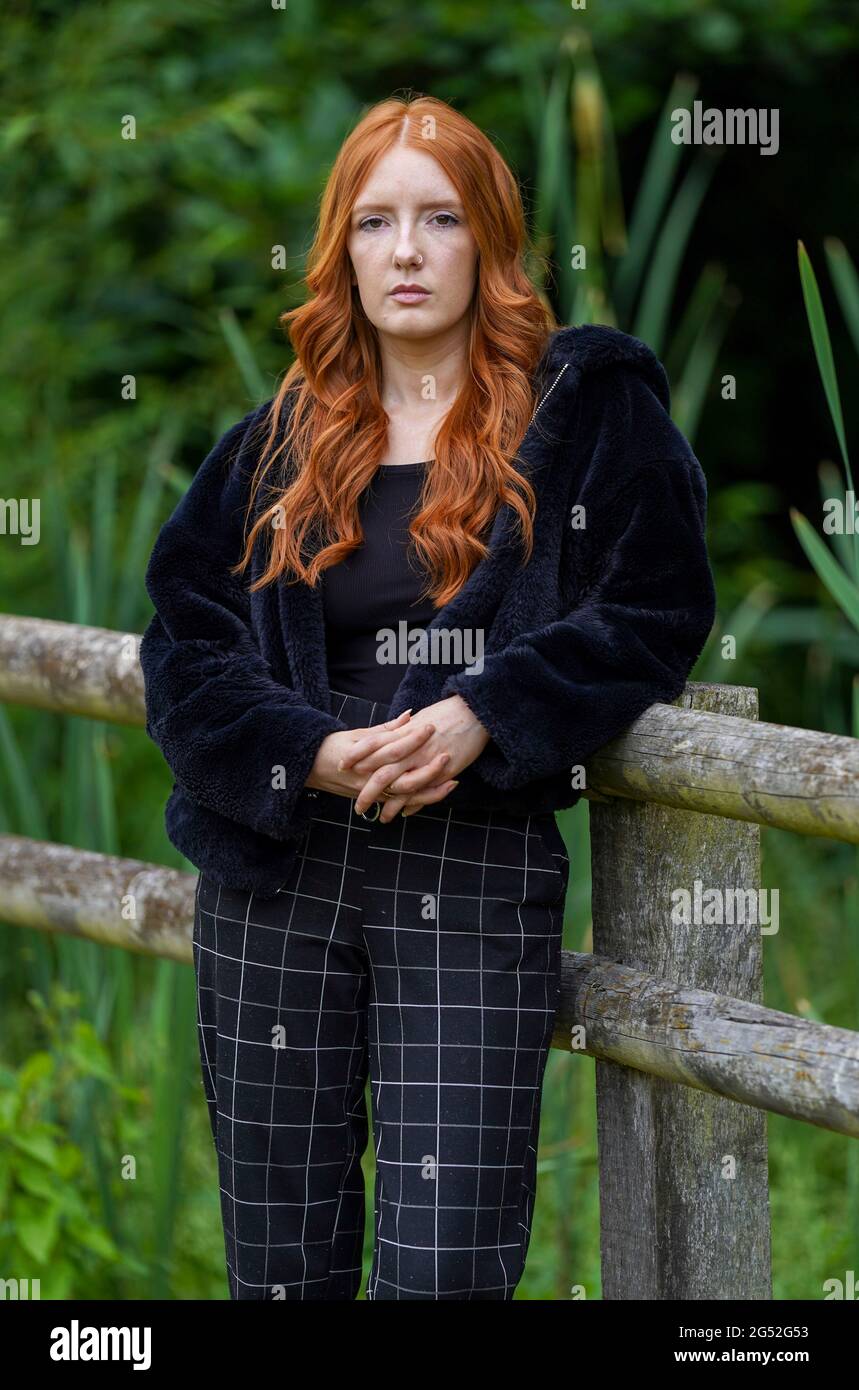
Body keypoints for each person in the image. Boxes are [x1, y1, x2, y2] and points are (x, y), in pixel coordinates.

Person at [139, 94, 717, 1300]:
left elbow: (652, 610)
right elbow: (184, 643)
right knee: (280, 1272)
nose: (406, 251)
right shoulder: (280, 440)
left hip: (473, 871)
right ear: (341, 249)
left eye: (440, 218)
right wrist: (310, 750)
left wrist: (488, 711)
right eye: (376, 221)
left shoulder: (582, 413)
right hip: (277, 871)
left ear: (490, 240)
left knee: (443, 1268)